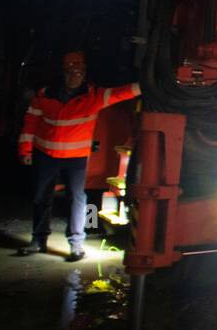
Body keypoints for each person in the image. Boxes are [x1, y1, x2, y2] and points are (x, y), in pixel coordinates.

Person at [17, 52, 140, 262]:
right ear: (64, 73)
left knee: (78, 200)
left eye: (80, 71)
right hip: (47, 155)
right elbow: (30, 123)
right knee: (41, 198)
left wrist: (148, 84)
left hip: (76, 159)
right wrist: (25, 150)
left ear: (84, 73)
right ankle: (38, 241)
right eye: (72, 71)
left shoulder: (93, 96)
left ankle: (76, 245)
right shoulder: (45, 96)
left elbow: (122, 93)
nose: (76, 75)